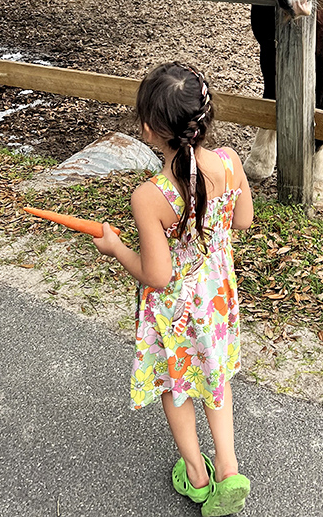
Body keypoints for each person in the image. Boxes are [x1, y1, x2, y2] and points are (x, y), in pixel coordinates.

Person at [94, 62, 254, 516]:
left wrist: (116, 248)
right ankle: (228, 470)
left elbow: (158, 275)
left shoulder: (152, 196)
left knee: (177, 385)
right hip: (218, 299)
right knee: (215, 379)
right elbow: (242, 220)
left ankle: (196, 476)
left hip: (176, 312)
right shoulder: (229, 162)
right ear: (204, 118)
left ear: (148, 129)